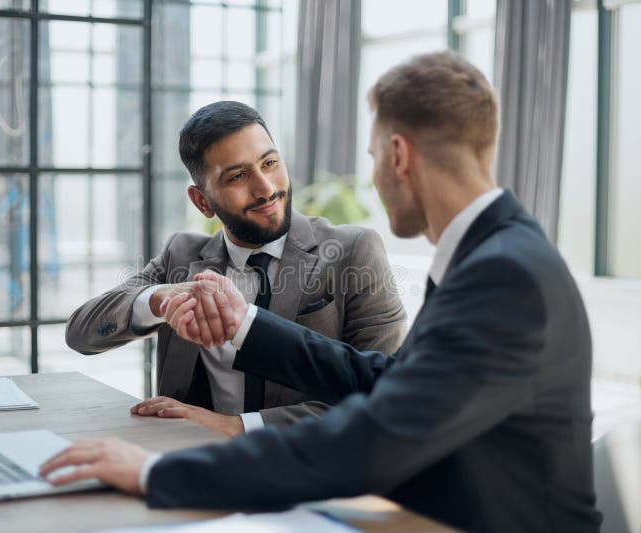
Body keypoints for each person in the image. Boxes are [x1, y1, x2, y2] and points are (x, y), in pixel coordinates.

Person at [42, 52, 601, 532]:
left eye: (375, 158)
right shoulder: (497, 255)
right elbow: (389, 385)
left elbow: (376, 437)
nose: (375, 178)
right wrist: (244, 328)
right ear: (203, 199)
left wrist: (152, 473)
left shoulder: (502, 275)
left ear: (399, 156)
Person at [64, 100, 407, 437]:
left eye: (270, 163)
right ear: (202, 201)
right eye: (238, 176)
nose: (266, 188)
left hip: (306, 466)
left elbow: (383, 395)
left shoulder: (353, 252)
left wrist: (236, 426)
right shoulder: (182, 256)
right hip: (193, 463)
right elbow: (81, 333)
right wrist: (159, 300)